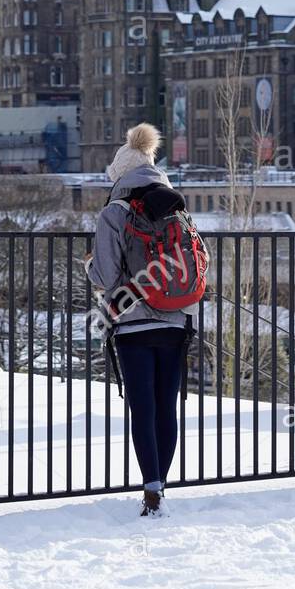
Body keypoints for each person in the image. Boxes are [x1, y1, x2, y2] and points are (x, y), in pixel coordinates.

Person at [86, 123, 192, 517]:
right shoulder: (177, 207)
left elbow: (107, 278)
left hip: (132, 323)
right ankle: (161, 484)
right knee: (167, 407)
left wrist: (90, 266)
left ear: (120, 176)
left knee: (142, 409)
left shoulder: (115, 212)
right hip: (176, 321)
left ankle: (151, 490)